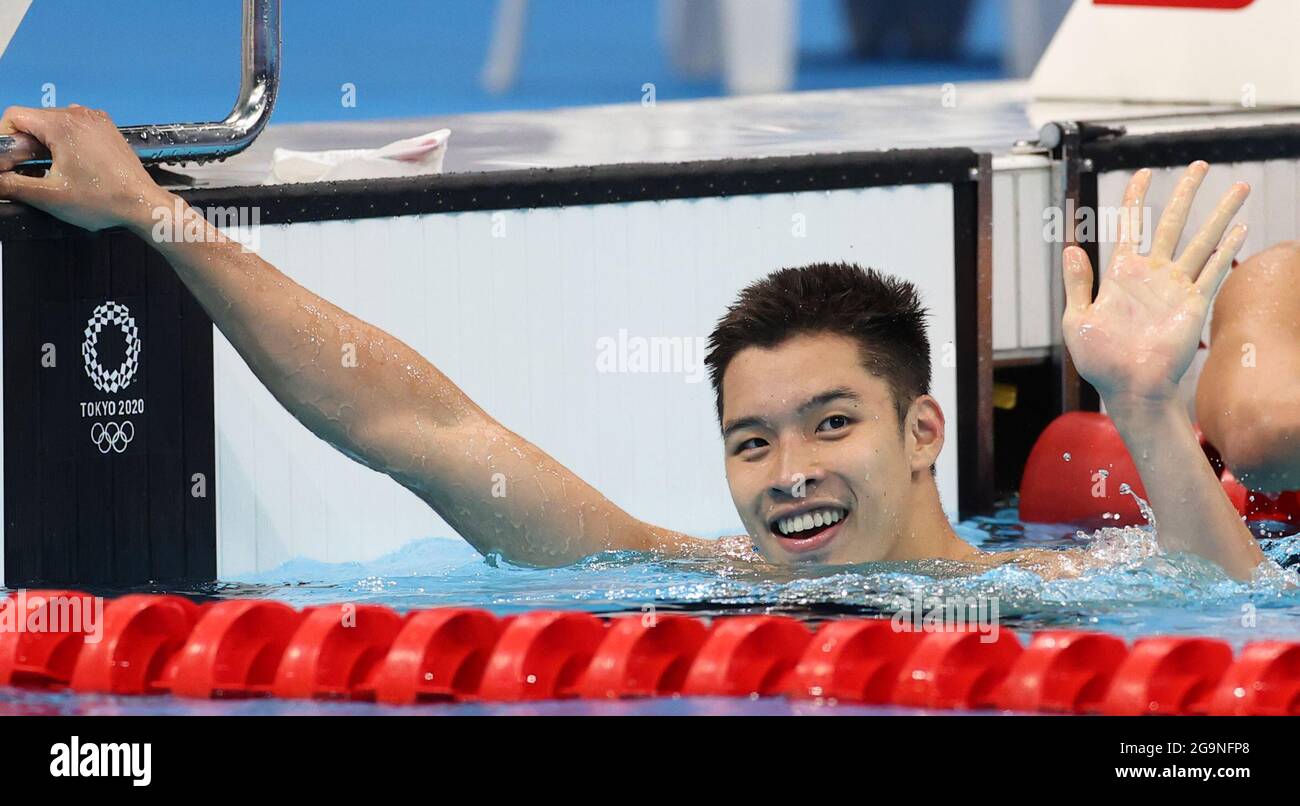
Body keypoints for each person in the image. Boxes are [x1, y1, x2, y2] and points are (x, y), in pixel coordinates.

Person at [0, 106, 1276, 581]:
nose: (789, 474)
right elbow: (419, 431)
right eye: (752, 440)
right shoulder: (688, 580)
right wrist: (156, 211)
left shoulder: (1037, 605)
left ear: (924, 428)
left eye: (832, 422)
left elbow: (1224, 622)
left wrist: (1148, 410)